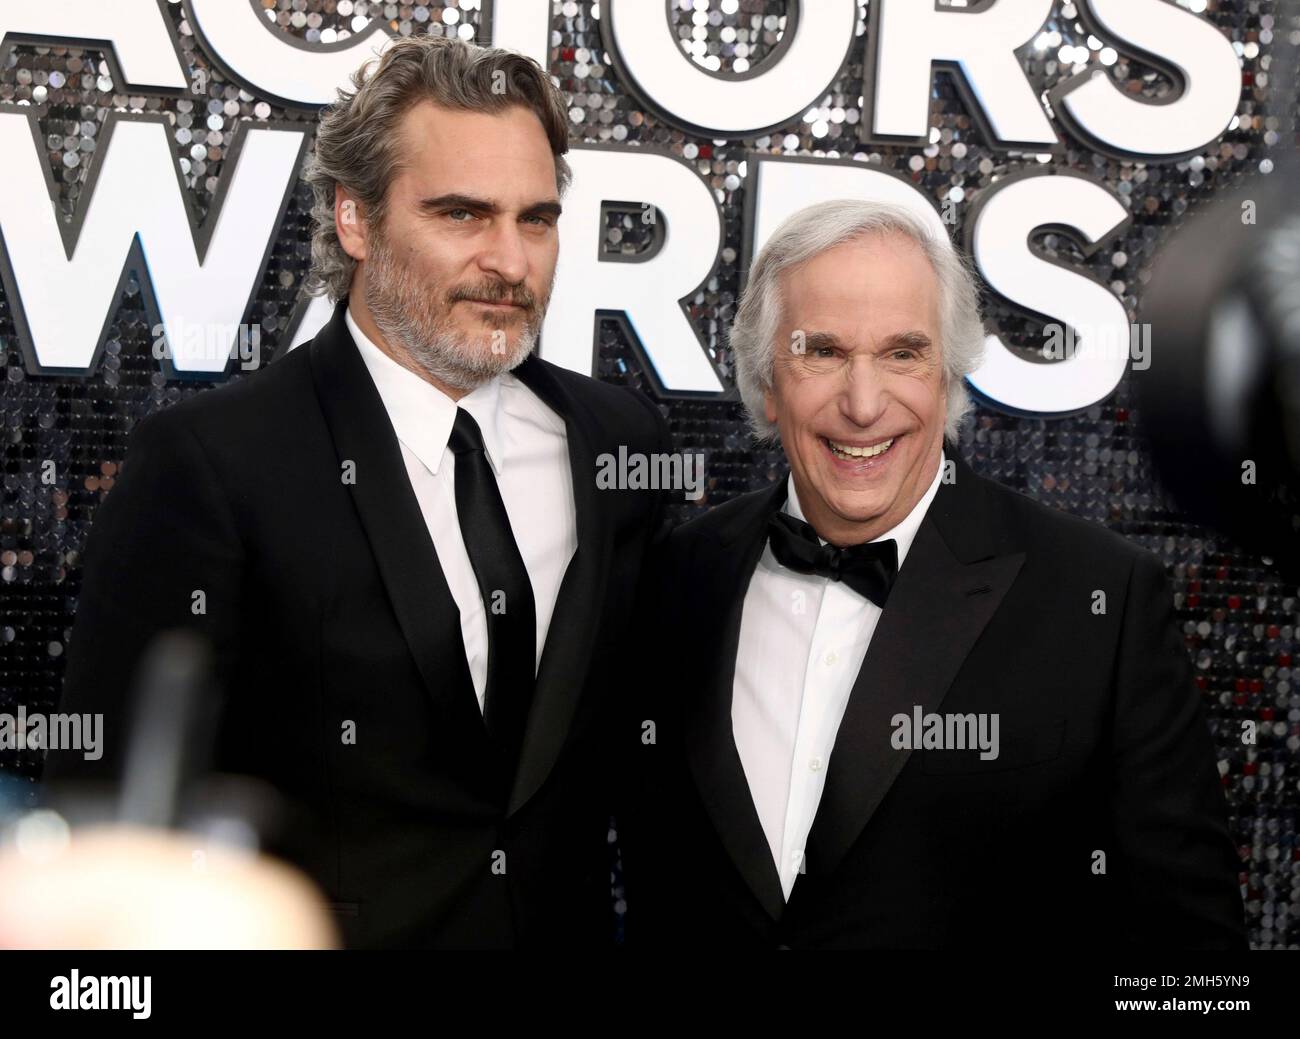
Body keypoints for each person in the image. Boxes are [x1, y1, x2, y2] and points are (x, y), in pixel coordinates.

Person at [43, 35, 669, 949]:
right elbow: (116, 814)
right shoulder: (212, 461)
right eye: (463, 214)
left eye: (536, 219)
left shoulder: (618, 443)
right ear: (356, 221)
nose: (510, 260)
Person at [623, 199, 1247, 949]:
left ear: (948, 377)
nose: (862, 403)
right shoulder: (671, 580)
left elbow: (1194, 962)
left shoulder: (1100, 603)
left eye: (902, 353)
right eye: (821, 350)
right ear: (765, 382)